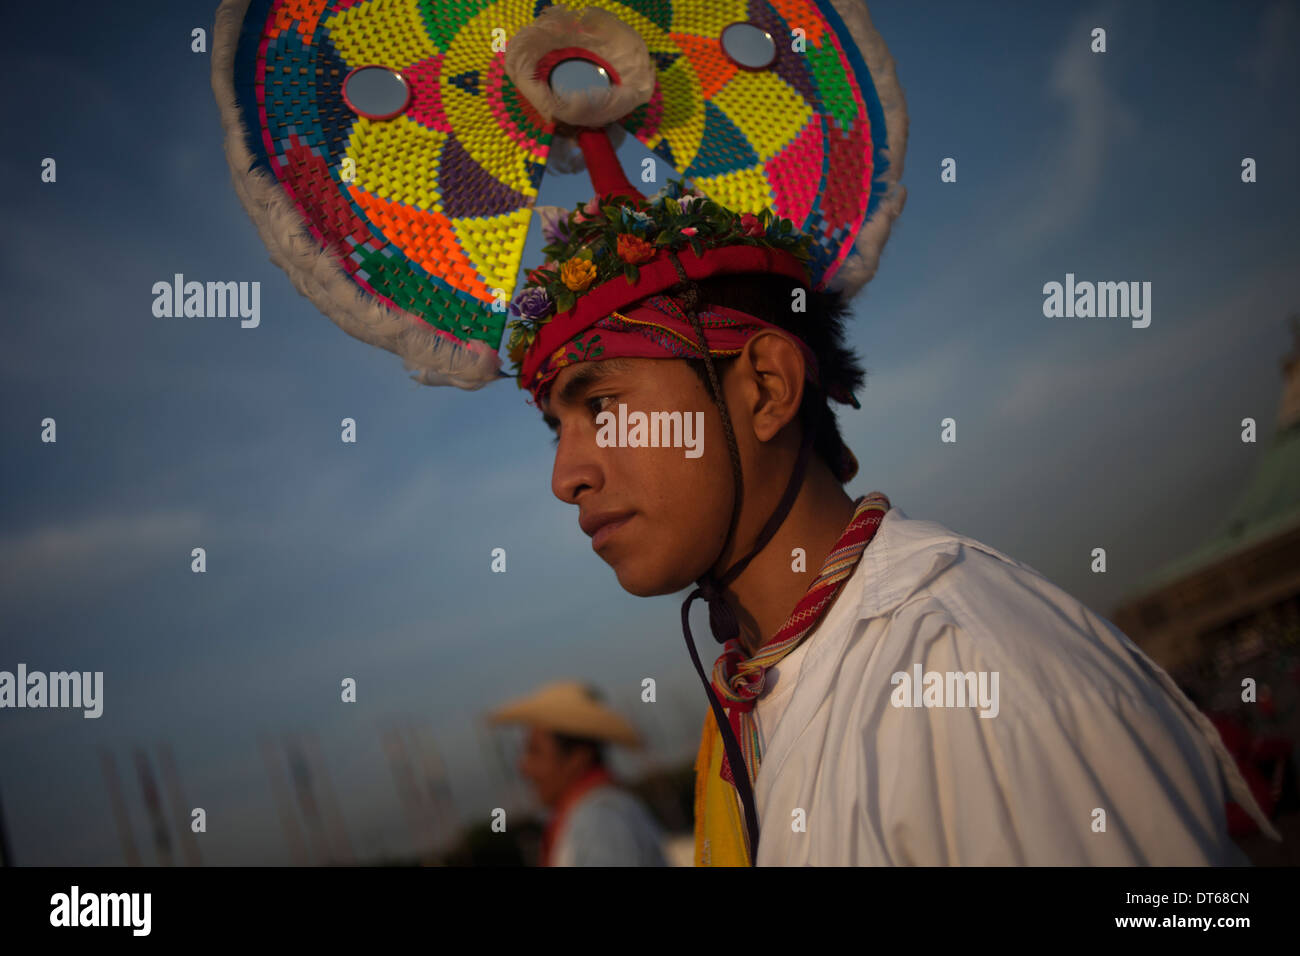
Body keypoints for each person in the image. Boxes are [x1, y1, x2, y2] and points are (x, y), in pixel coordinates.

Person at [215, 0, 1280, 865]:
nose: (566, 474)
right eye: (554, 422)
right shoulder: (768, 681)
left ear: (766, 384)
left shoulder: (956, 666)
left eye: (601, 404)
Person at [488, 681, 667, 867]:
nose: (523, 767)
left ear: (577, 758)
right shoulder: (596, 814)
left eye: (535, 752)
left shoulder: (599, 821)